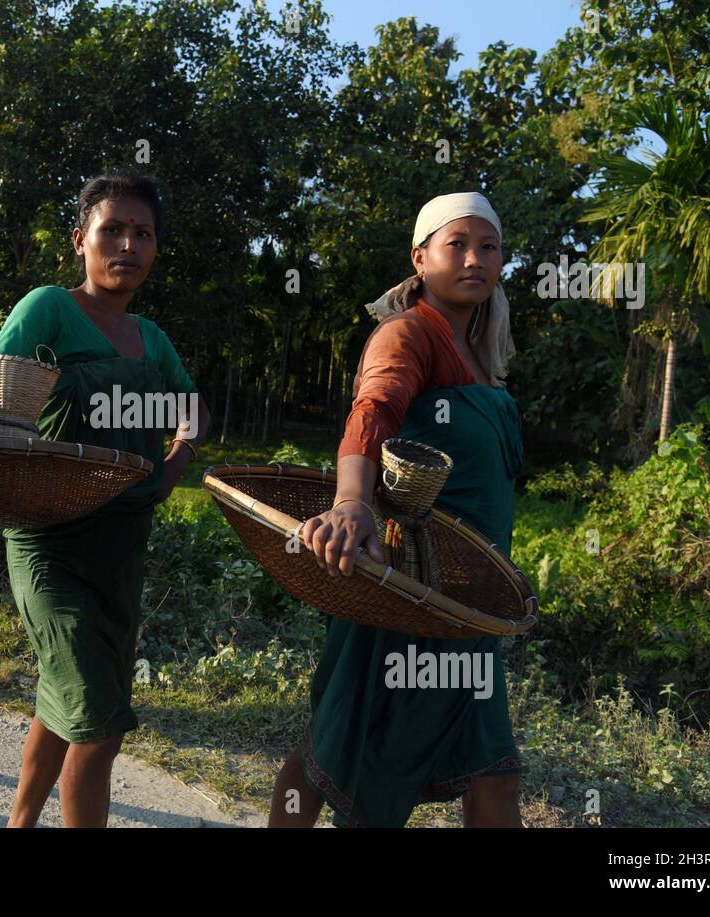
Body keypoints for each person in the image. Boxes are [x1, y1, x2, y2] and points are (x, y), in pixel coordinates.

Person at [0, 172, 210, 827]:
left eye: (143, 233)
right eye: (113, 230)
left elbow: (193, 408)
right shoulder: (49, 308)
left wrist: (179, 458)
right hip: (51, 542)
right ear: (80, 240)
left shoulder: (152, 339)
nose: (128, 243)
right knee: (98, 725)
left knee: (64, 699)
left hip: (122, 548)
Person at [268, 191, 526, 827]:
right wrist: (352, 501)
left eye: (487, 246)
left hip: (465, 600)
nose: (474, 258)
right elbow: (373, 410)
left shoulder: (478, 352)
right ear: (420, 257)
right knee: (346, 743)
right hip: (404, 588)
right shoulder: (408, 333)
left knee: (492, 768)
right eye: (456, 244)